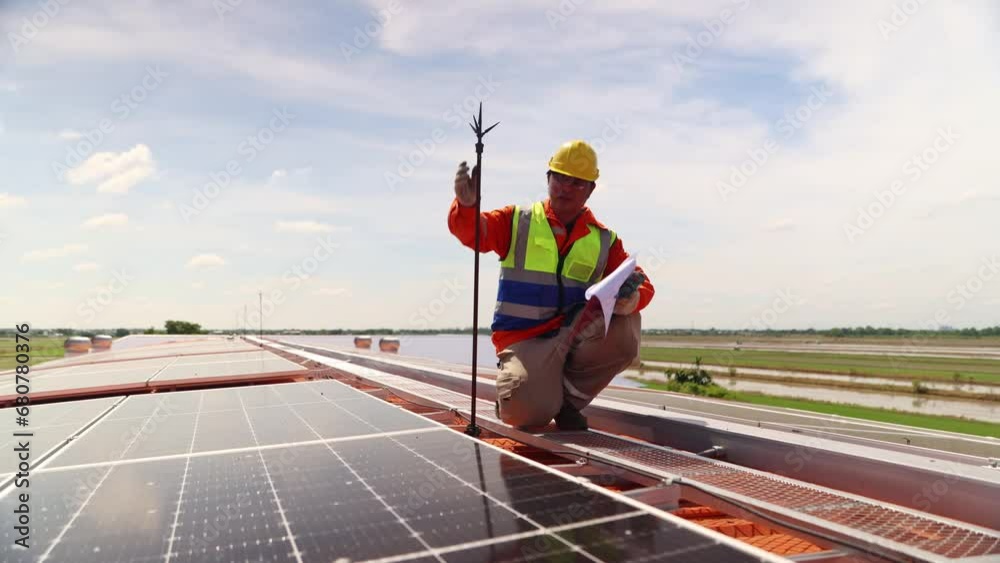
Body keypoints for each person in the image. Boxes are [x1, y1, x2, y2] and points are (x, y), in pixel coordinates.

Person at [448, 139, 655, 430]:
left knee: (628, 324)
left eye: (576, 182)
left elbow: (642, 281)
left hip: (574, 334)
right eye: (558, 178)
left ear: (591, 189)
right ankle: (525, 395)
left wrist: (631, 299)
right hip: (525, 340)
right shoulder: (517, 221)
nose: (565, 188)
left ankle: (567, 403)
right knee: (525, 416)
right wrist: (467, 207)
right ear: (548, 179)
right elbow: (474, 234)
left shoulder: (604, 240)